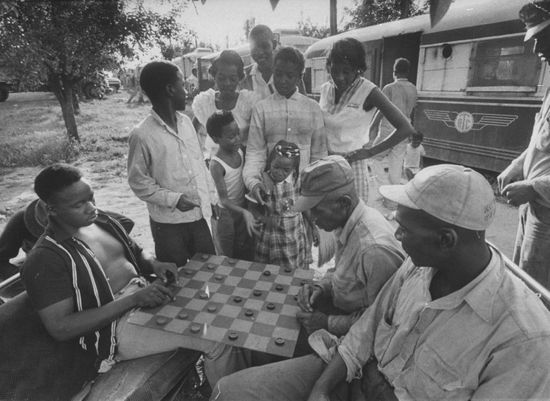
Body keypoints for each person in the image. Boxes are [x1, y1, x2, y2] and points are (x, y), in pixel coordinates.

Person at [211, 164, 550, 401]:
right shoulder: (420, 266)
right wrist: (321, 389)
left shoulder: (524, 339)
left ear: (446, 240)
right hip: (353, 377)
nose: (396, 234)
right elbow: (366, 330)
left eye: (404, 229)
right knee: (231, 392)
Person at [21, 164, 180, 374]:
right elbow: (61, 328)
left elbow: (138, 252)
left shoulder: (102, 220)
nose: (91, 207)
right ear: (52, 209)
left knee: (212, 309)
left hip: (146, 296)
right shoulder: (45, 258)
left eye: (91, 198)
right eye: (79, 205)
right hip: (114, 333)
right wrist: (133, 299)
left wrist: (154, 264)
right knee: (215, 338)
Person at [293, 156, 403, 339]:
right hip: (343, 311)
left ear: (343, 203)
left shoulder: (373, 250)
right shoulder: (346, 223)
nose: (311, 218)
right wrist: (320, 288)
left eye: (317, 210)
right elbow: (342, 273)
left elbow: (379, 320)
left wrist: (327, 323)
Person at [127, 61, 218, 267]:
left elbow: (199, 165)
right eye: (182, 85)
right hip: (168, 225)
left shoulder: (186, 122)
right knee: (175, 277)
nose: (186, 91)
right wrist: (174, 199)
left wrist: (211, 198)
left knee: (208, 270)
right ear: (170, 89)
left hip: (198, 218)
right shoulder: (142, 134)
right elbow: (139, 183)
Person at [319, 39, 415, 205]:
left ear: (358, 70)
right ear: (329, 66)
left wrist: (371, 152)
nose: (340, 77)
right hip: (327, 163)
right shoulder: (326, 89)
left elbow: (405, 128)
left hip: (352, 165)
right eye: (335, 70)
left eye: (347, 72)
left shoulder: (368, 91)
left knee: (353, 219)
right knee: (328, 218)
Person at [498, 0, 550, 290]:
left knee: (537, 293)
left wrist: (532, 187)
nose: (536, 48)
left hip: (546, 213)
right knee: (522, 278)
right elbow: (541, 144)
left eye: (543, 37)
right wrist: (517, 166)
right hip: (534, 207)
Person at [243, 46, 327, 205]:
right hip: (269, 194)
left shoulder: (312, 108)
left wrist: (313, 188)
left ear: (300, 76)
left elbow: (319, 154)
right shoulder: (261, 109)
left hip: (304, 191)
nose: (283, 80)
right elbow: (255, 153)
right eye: (278, 74)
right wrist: (253, 182)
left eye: (290, 75)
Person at [206, 111, 258, 260]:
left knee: (243, 249)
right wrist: (244, 212)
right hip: (226, 215)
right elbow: (224, 200)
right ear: (216, 139)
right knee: (227, 253)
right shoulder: (216, 164)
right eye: (231, 137)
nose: (236, 139)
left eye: (238, 133)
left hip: (242, 209)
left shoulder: (240, 150)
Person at [253, 140, 312, 270]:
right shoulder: (264, 182)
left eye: (286, 170)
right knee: (273, 271)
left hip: (295, 233)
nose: (279, 173)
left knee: (296, 269)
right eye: (276, 167)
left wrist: (313, 226)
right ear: (270, 163)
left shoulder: (298, 179)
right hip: (273, 237)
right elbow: (252, 209)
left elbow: (304, 204)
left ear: (293, 168)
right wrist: (265, 219)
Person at [192, 50, 257, 159]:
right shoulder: (205, 102)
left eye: (232, 78)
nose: (227, 83)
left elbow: (257, 138)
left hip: (243, 163)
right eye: (221, 78)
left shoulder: (248, 103)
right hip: (213, 164)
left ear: (240, 78)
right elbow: (192, 133)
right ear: (214, 76)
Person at [369, 58, 418, 192]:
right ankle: (393, 198)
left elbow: (381, 110)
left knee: (373, 158)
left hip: (388, 128)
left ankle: (384, 187)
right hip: (405, 129)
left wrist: (372, 126)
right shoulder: (414, 89)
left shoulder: (389, 88)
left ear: (394, 72)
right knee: (396, 165)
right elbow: (412, 111)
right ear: (407, 72)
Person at [240, 25, 305, 99]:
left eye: (264, 46)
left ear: (274, 44)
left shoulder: (290, 74)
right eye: (254, 48)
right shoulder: (244, 77)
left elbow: (304, 104)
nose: (260, 52)